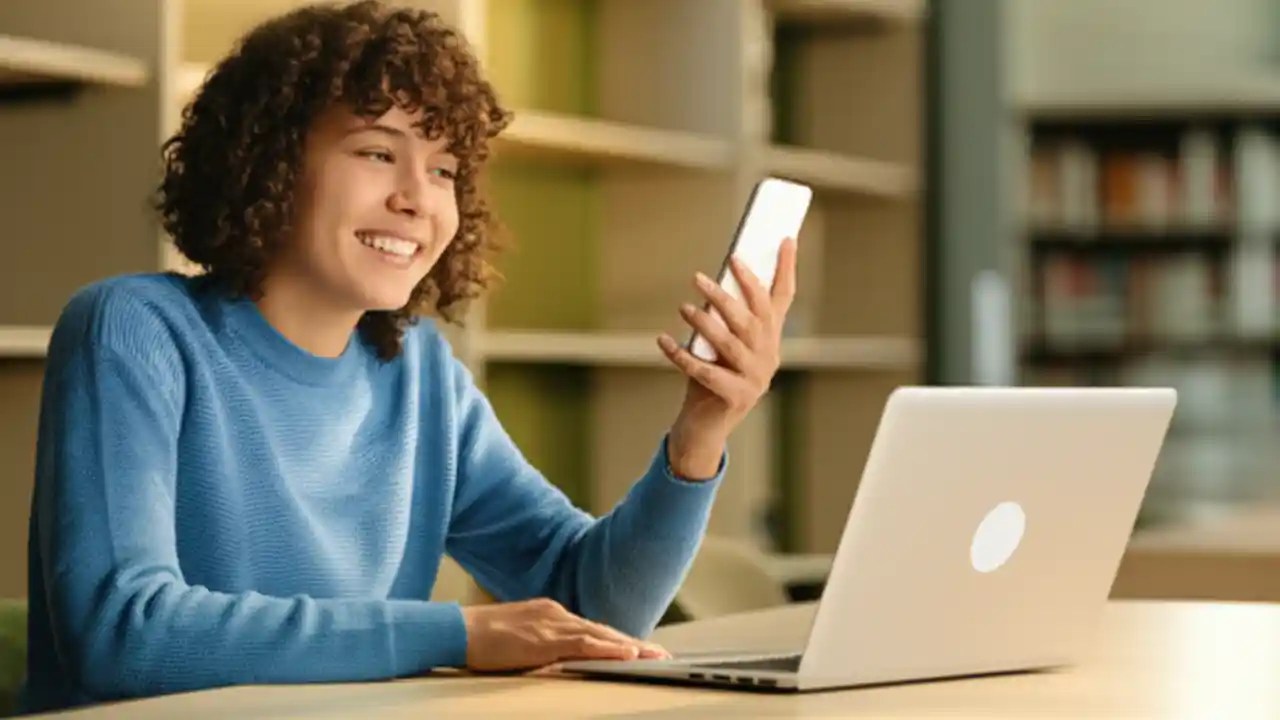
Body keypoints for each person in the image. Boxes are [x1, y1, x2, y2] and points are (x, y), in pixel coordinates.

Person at [20, 0, 797, 713]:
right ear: (267, 163)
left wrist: (701, 434)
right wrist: (459, 634)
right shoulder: (134, 330)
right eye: (375, 153)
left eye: (445, 170)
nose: (418, 200)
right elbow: (123, 632)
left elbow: (592, 607)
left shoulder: (421, 374)